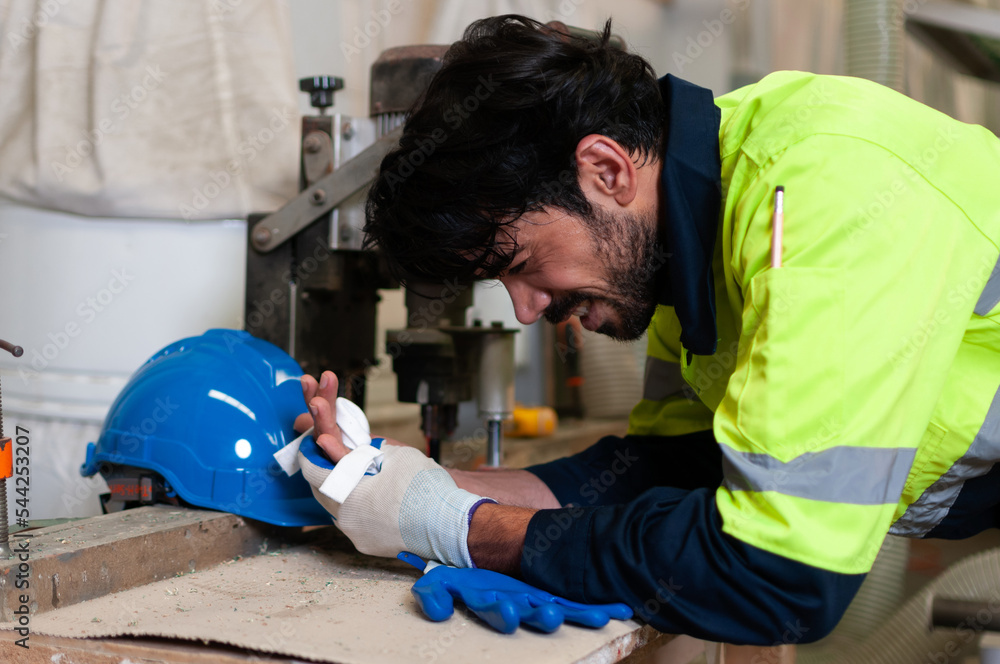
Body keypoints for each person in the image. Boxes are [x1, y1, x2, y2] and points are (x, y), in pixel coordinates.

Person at [292, 15, 1000, 644]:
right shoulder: (689, 244)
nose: (526, 311)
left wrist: (460, 528)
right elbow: (674, 467)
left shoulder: (822, 203)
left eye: (522, 263)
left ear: (605, 169)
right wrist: (414, 482)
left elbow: (779, 576)